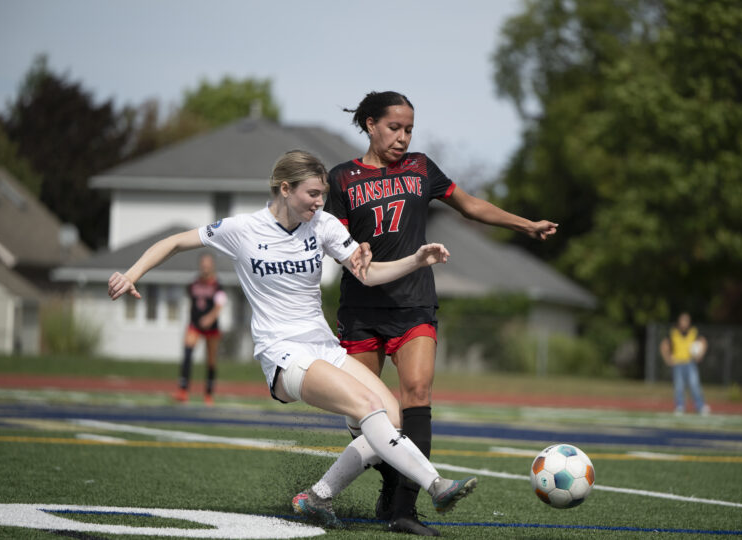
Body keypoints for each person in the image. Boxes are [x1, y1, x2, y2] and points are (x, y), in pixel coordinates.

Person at [107, 150, 477, 529]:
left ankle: (318, 497)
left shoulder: (324, 225)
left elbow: (367, 274)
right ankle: (436, 484)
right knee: (368, 406)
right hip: (282, 354)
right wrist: (132, 274)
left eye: (322, 194)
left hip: (323, 348)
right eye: (312, 194)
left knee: (394, 418)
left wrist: (417, 259)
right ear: (285, 189)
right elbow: (174, 242)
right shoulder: (242, 229)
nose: (319, 202)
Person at [324, 90, 557, 536]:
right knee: (362, 415)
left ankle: (404, 512)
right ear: (370, 124)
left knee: (417, 395)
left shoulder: (421, 168)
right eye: (394, 127)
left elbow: (470, 205)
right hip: (360, 310)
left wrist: (525, 224)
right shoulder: (341, 179)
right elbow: (333, 242)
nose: (403, 137)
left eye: (409, 129)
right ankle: (394, 474)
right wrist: (352, 254)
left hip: (414, 305)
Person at [173, 252, 227, 406]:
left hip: (212, 328)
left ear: (212, 265)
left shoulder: (217, 285)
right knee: (187, 352)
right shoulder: (193, 284)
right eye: (203, 264)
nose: (205, 267)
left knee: (211, 361)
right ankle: (183, 390)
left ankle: (208, 394)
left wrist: (209, 319)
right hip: (195, 325)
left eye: (208, 264)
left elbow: (219, 306)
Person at [660, 312, 710, 415]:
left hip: (690, 363)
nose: (684, 323)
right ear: (679, 322)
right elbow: (664, 345)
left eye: (686, 321)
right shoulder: (673, 332)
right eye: (682, 321)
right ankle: (680, 406)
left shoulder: (694, 332)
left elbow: (704, 342)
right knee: (679, 386)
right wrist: (667, 358)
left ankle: (700, 406)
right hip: (678, 363)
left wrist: (700, 355)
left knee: (694, 385)